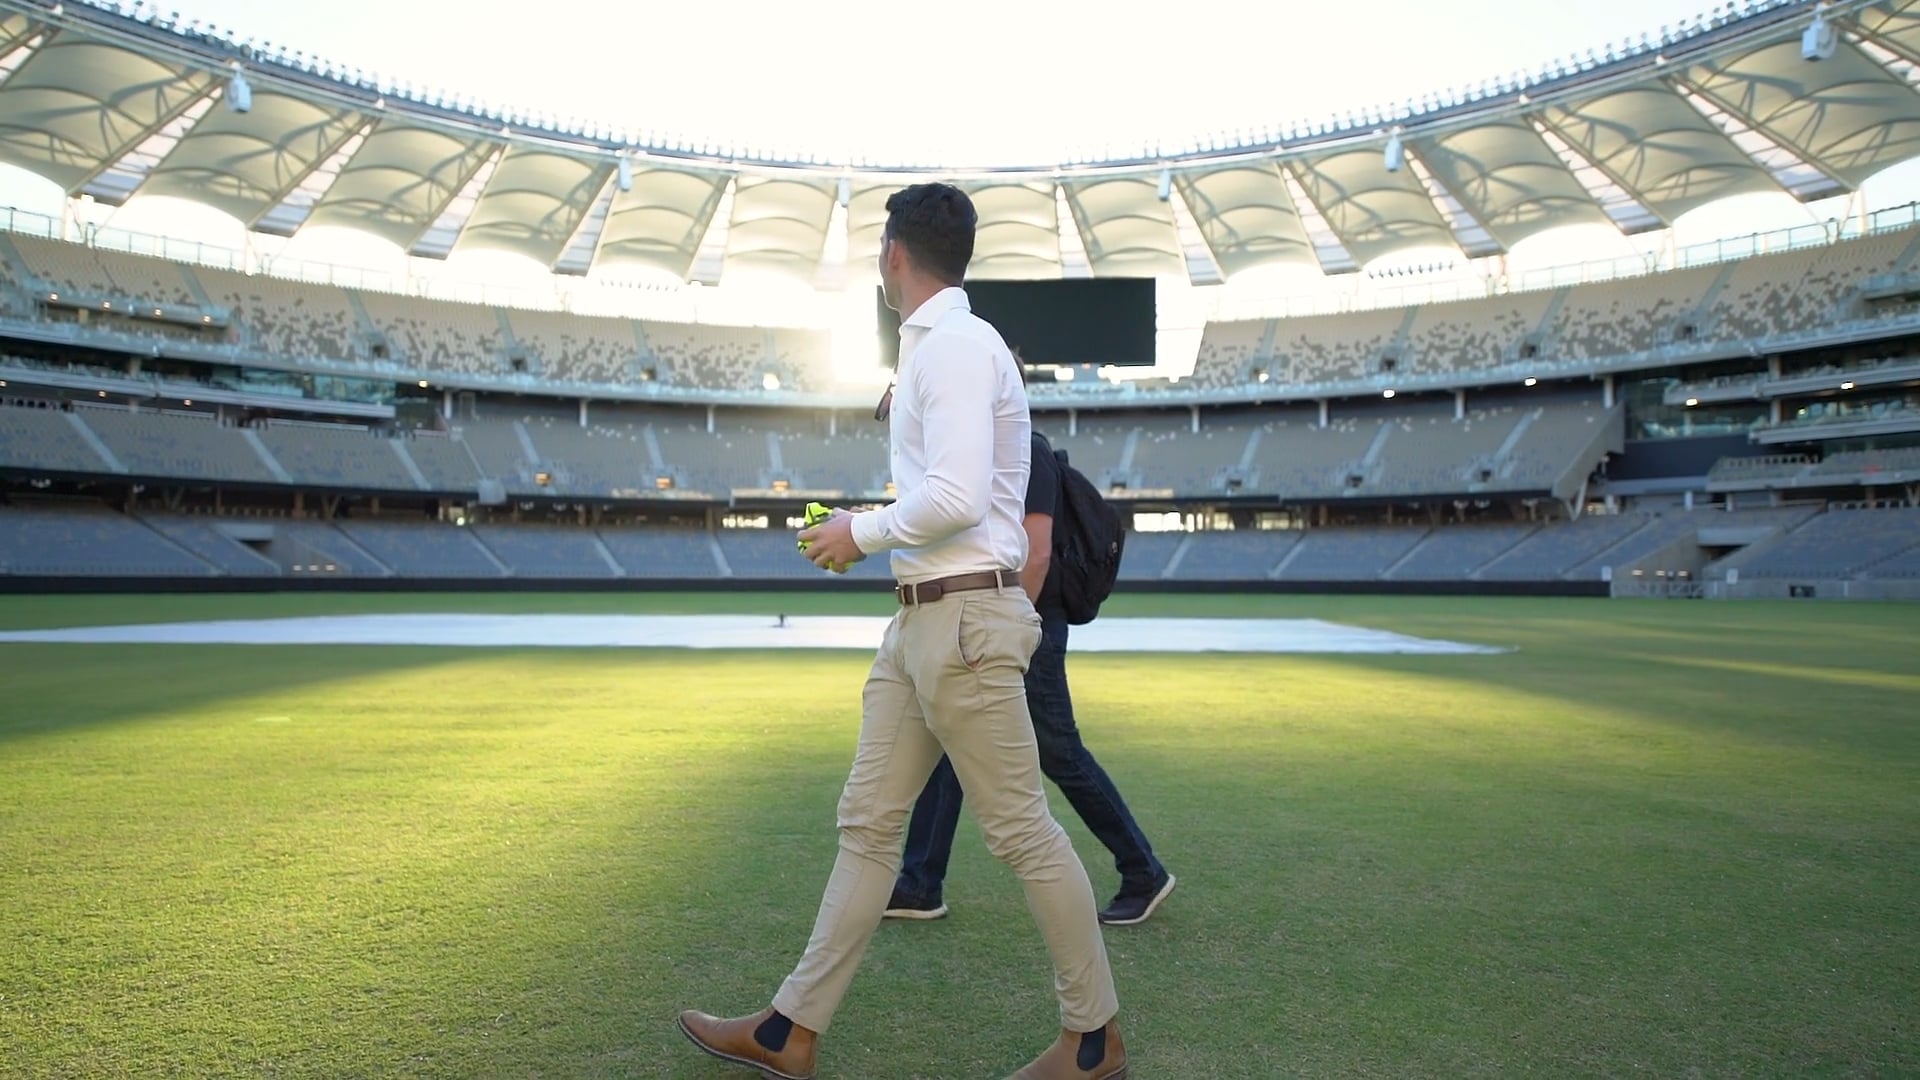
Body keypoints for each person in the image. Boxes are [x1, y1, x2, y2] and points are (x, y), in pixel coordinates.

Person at [677, 182, 1127, 1080]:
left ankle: (1093, 1039)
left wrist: (862, 529)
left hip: (962, 621)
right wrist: (870, 524)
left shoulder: (954, 346)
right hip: (924, 618)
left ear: (893, 255)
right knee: (869, 824)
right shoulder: (945, 345)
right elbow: (948, 494)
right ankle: (788, 1030)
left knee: (1022, 834)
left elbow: (958, 497)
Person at [884, 428, 1175, 927]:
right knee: (951, 738)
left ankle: (1142, 871)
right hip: (1002, 618)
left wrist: (1017, 626)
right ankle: (919, 883)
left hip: (1027, 621)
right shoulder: (984, 448)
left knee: (1059, 751)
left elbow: (1035, 552)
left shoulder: (1027, 448)